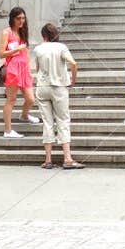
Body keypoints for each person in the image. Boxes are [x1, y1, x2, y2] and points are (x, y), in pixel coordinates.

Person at [31, 23, 82, 169]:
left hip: (42, 86)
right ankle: (67, 158)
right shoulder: (61, 47)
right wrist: (72, 81)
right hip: (59, 86)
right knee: (63, 120)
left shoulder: (38, 49)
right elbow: (73, 63)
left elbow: (37, 68)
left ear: (44, 36)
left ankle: (48, 160)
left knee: (47, 122)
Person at [0, 7, 36, 138]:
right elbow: (1, 54)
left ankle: (24, 115)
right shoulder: (6, 32)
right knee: (11, 99)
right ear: (12, 19)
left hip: (24, 69)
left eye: (23, 18)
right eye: (18, 18)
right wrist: (16, 50)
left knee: (31, 99)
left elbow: (25, 51)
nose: (21, 21)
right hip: (13, 68)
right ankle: (7, 131)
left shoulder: (23, 32)